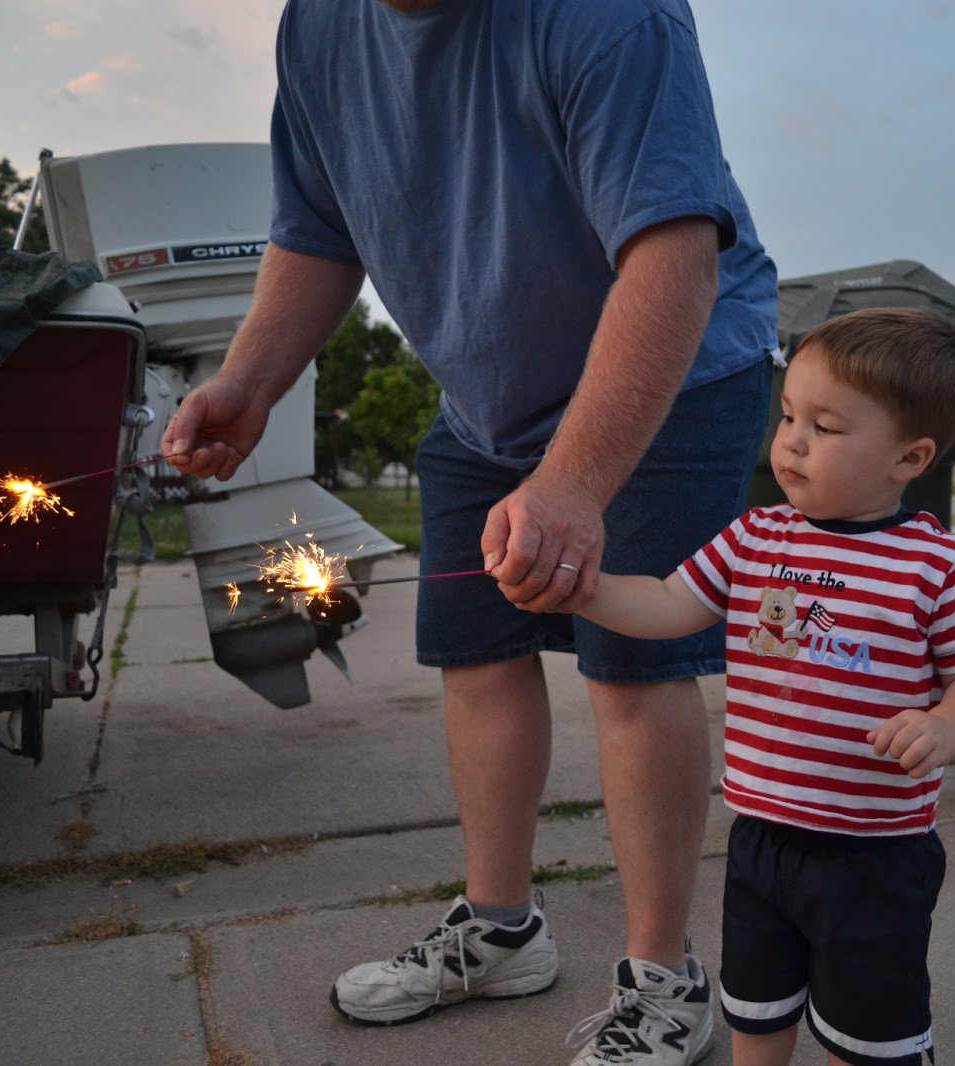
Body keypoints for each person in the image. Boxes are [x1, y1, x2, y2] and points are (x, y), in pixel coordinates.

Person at [159, 2, 778, 1063]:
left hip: (667, 373)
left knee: (630, 666)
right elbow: (317, 229)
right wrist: (249, 380)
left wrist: (576, 482)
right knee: (474, 653)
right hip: (484, 397)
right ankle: (499, 931)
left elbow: (673, 255)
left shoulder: (610, 18)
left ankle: (666, 984)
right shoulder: (319, 30)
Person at [527, 308, 955, 1066]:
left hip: (874, 853)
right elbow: (666, 603)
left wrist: (945, 726)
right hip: (761, 838)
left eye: (826, 426)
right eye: (789, 415)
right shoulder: (756, 539)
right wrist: (580, 591)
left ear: (909, 458)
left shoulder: (934, 563)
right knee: (757, 1010)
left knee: (869, 1035)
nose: (792, 440)